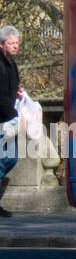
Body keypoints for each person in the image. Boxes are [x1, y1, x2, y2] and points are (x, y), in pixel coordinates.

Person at [0, 26, 22, 217]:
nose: (15, 47)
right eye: (11, 43)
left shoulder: (11, 63)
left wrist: (18, 92)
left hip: (9, 121)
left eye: (16, 43)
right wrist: (13, 114)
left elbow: (9, 89)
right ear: (1, 44)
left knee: (11, 158)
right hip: (3, 120)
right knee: (1, 161)